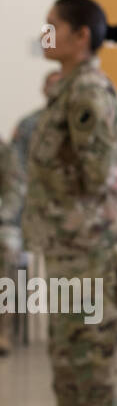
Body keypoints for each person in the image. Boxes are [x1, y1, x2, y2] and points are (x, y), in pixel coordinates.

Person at [21, 0, 117, 406]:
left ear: (80, 36)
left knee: (86, 373)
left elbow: (99, 175)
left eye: (53, 26)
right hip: (69, 252)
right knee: (70, 371)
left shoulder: (87, 92)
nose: (44, 35)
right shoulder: (66, 90)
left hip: (87, 253)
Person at [0, 139, 24, 356]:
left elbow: (14, 191)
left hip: (2, 223)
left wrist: (2, 215)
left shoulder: (5, 151)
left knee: (7, 246)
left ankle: (3, 331)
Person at [10, 69, 62, 169]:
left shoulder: (75, 120)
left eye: (59, 84)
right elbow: (16, 157)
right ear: (44, 89)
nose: (55, 89)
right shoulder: (28, 123)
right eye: (51, 84)